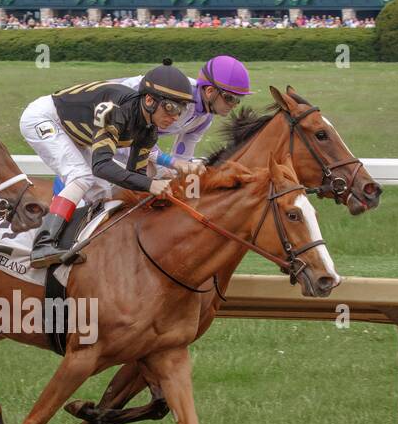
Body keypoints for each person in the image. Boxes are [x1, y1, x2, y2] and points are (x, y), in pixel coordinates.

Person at [19, 59, 196, 268]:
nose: (174, 117)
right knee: (81, 176)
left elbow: (136, 177)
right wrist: (150, 185)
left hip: (76, 133)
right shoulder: (115, 111)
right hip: (44, 118)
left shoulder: (148, 131)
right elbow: (101, 166)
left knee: (102, 194)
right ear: (149, 100)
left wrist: (158, 192)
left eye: (181, 111)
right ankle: (43, 244)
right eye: (170, 107)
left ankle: (80, 245)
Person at [114, 54, 251, 168]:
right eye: (231, 99)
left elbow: (182, 159)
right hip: (103, 121)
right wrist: (173, 164)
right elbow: (138, 138)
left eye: (238, 100)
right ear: (210, 91)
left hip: (121, 137)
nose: (234, 105)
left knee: (163, 174)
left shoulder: (204, 120)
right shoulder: (175, 93)